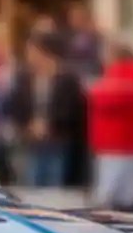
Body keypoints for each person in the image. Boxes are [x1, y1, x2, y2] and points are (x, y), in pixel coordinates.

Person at [9, 31, 82, 187]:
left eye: (32, 51)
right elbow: (16, 106)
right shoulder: (24, 78)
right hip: (31, 141)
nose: (29, 56)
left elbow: (72, 110)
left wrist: (49, 125)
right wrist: (29, 125)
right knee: (31, 184)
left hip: (58, 141)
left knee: (54, 186)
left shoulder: (67, 79)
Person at [87, 41, 133, 210]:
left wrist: (93, 90)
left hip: (117, 144)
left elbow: (104, 98)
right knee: (126, 196)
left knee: (108, 196)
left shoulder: (128, 75)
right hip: (124, 144)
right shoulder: (129, 75)